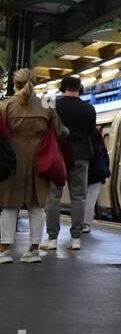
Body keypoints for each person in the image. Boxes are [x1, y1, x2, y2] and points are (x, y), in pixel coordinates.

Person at [0, 68, 70, 263]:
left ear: (15, 84)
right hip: (41, 158)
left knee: (9, 205)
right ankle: (33, 250)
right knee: (36, 205)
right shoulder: (47, 104)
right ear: (35, 83)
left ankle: (4, 251)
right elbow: (61, 131)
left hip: (12, 159)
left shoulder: (5, 105)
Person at [43, 76, 96, 250]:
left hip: (57, 156)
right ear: (80, 88)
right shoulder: (89, 108)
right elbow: (91, 134)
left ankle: (52, 238)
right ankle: (76, 239)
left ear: (61, 87)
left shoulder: (53, 106)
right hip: (80, 156)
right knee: (79, 197)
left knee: (53, 197)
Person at [82, 125, 110, 234]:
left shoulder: (79, 133)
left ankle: (78, 222)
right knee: (91, 199)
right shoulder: (96, 134)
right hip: (97, 173)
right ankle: (86, 224)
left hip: (81, 170)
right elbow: (104, 154)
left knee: (79, 198)